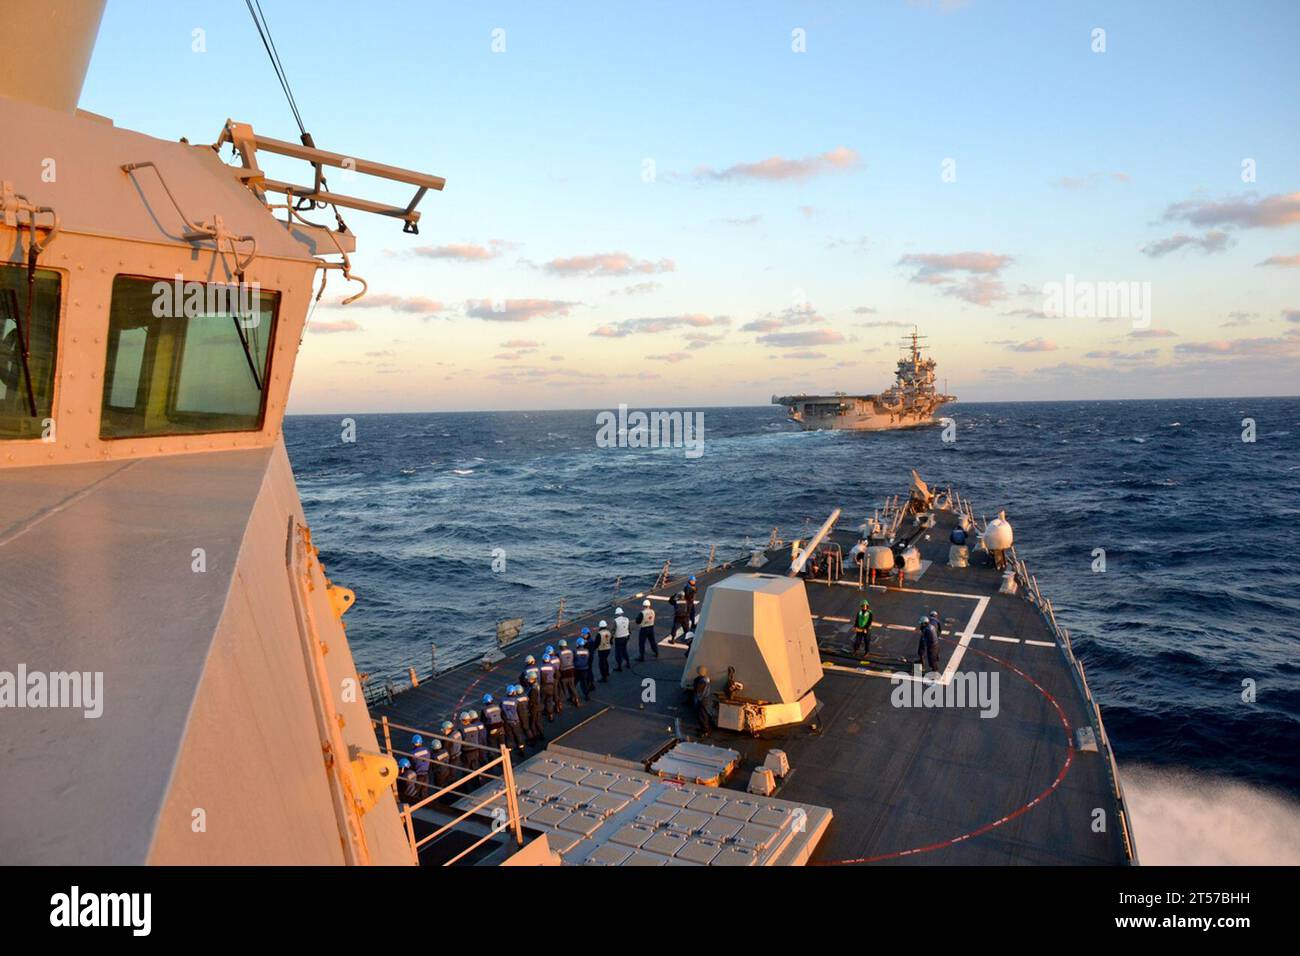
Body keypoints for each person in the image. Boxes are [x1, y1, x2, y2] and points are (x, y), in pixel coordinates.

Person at [500, 685, 527, 753]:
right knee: (518, 735)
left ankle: (510, 751)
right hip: (515, 722)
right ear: (514, 692)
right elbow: (521, 713)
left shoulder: (502, 701)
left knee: (509, 736)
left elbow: (501, 713)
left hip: (506, 722)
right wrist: (524, 723)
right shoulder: (517, 701)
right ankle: (521, 749)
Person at [557, 639, 581, 707]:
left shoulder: (559, 653)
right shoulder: (571, 651)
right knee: (572, 686)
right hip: (571, 671)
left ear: (561, 646)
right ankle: (576, 699)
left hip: (564, 672)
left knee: (562, 689)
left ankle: (560, 704)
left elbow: (558, 663)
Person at [522, 669, 544, 743]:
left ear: (531, 679)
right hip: (539, 706)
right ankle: (541, 735)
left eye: (528, 679)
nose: (527, 680)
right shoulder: (536, 685)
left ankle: (535, 737)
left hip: (534, 708)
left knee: (532, 724)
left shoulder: (533, 689)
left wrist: (528, 708)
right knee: (538, 722)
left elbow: (532, 701)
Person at [692, 665, 713, 737]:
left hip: (701, 700)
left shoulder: (702, 682)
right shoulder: (705, 680)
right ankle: (703, 729)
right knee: (703, 715)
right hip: (704, 700)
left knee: (702, 716)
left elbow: (699, 692)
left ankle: (705, 731)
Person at [539, 653, 560, 719]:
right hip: (551, 685)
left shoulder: (540, 667)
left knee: (542, 700)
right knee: (549, 700)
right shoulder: (552, 666)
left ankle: (541, 713)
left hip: (543, 686)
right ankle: (550, 714)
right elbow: (556, 674)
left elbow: (539, 677)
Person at [612, 607, 631, 672]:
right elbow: (629, 628)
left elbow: (613, 630)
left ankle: (619, 667)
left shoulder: (615, 621)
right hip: (626, 637)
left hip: (618, 638)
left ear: (616, 614)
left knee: (618, 653)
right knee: (624, 650)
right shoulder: (627, 619)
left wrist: (611, 638)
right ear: (622, 613)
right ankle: (628, 663)